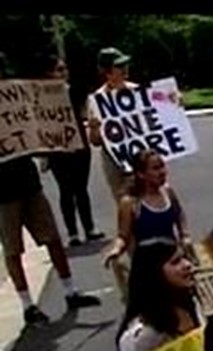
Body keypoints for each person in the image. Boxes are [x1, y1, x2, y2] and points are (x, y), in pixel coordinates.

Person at [0, 151, 101, 326]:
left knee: (53, 239)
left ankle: (70, 291)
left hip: (30, 185)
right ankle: (28, 306)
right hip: (3, 196)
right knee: (13, 249)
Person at [115, 240, 198, 351]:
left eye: (185, 258)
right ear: (153, 274)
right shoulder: (143, 336)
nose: (187, 265)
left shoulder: (194, 307)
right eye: (176, 262)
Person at [41, 54, 102, 246]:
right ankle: (73, 233)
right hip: (57, 150)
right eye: (59, 70)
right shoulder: (41, 97)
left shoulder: (75, 92)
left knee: (81, 189)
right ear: (49, 73)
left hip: (79, 147)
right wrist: (44, 154)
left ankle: (89, 228)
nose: (63, 73)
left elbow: (85, 113)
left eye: (64, 69)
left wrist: (92, 123)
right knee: (66, 190)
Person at [103, 150, 190, 277]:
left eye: (162, 166)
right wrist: (116, 250)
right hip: (147, 264)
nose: (162, 172)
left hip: (172, 258)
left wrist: (185, 236)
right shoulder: (130, 203)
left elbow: (179, 215)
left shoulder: (168, 192)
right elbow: (123, 236)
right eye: (155, 168)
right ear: (141, 174)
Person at [85, 47, 136, 204]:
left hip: (140, 154)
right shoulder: (97, 100)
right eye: (119, 67)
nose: (125, 69)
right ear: (107, 72)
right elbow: (95, 141)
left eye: (125, 65)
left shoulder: (137, 91)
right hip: (114, 159)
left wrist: (173, 100)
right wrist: (94, 128)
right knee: (124, 202)